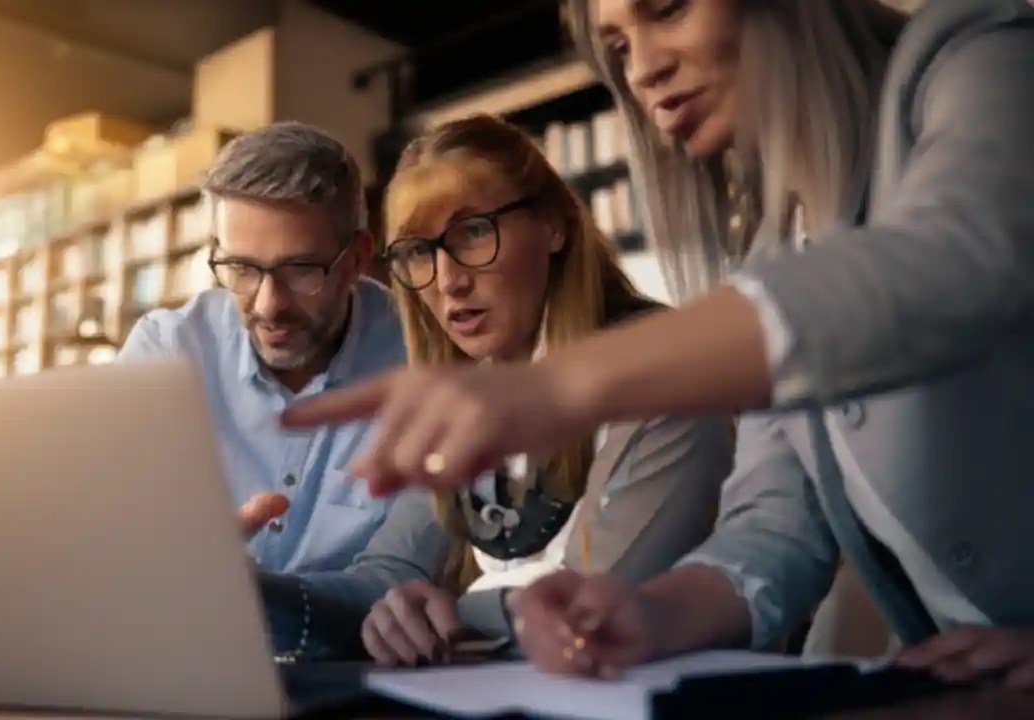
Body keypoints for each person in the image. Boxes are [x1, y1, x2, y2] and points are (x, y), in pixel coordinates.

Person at [282, 0, 1034, 690]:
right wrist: (649, 616)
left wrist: (563, 384)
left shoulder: (984, 55)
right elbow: (776, 532)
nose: (641, 69)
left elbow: (950, 261)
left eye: (668, 8)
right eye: (616, 45)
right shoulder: (776, 256)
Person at [258, 115, 732, 666]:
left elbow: (589, 607)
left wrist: (445, 616)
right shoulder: (462, 399)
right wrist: (252, 594)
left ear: (553, 224)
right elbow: (387, 578)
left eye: (474, 232)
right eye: (417, 251)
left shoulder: (655, 366)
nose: (447, 279)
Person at [117, 121, 407, 574]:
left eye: (300, 270)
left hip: (351, 644)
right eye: (242, 268)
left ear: (355, 260)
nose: (269, 305)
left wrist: (255, 595)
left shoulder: (421, 363)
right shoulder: (168, 352)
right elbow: (110, 532)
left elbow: (396, 576)